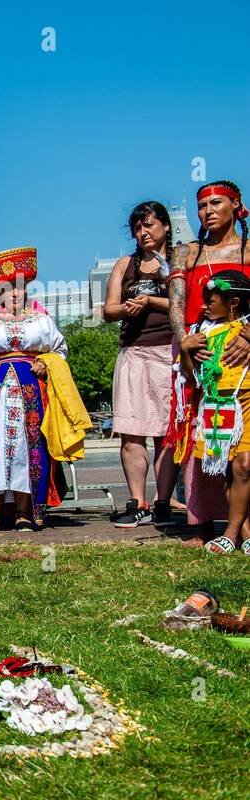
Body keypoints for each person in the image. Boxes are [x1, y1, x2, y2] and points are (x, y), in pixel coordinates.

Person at [0, 247, 67, 531]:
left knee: (27, 448)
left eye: (20, 287)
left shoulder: (41, 320)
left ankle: (25, 511)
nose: (15, 294)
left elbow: (60, 349)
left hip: (32, 393)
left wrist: (48, 363)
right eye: (8, 289)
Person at [167, 180, 250, 541]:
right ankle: (200, 522)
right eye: (203, 206)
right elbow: (176, 303)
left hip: (244, 348)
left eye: (217, 203)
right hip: (196, 351)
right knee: (200, 436)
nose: (208, 211)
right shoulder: (186, 252)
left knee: (243, 446)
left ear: (237, 205)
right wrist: (185, 340)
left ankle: (242, 526)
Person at [104, 201, 178, 528]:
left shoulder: (179, 259)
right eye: (137, 227)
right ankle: (137, 502)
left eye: (149, 225)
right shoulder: (125, 264)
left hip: (169, 351)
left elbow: (187, 303)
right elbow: (108, 310)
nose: (143, 232)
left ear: (165, 226)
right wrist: (127, 309)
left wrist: (150, 301)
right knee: (131, 433)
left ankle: (163, 503)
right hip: (132, 351)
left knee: (166, 433)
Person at [177, 271, 250, 554]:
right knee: (227, 470)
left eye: (210, 301)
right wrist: (185, 350)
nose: (204, 306)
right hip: (216, 405)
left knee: (244, 464)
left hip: (246, 400)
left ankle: (230, 532)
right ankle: (243, 533)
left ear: (233, 302)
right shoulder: (201, 332)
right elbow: (189, 376)